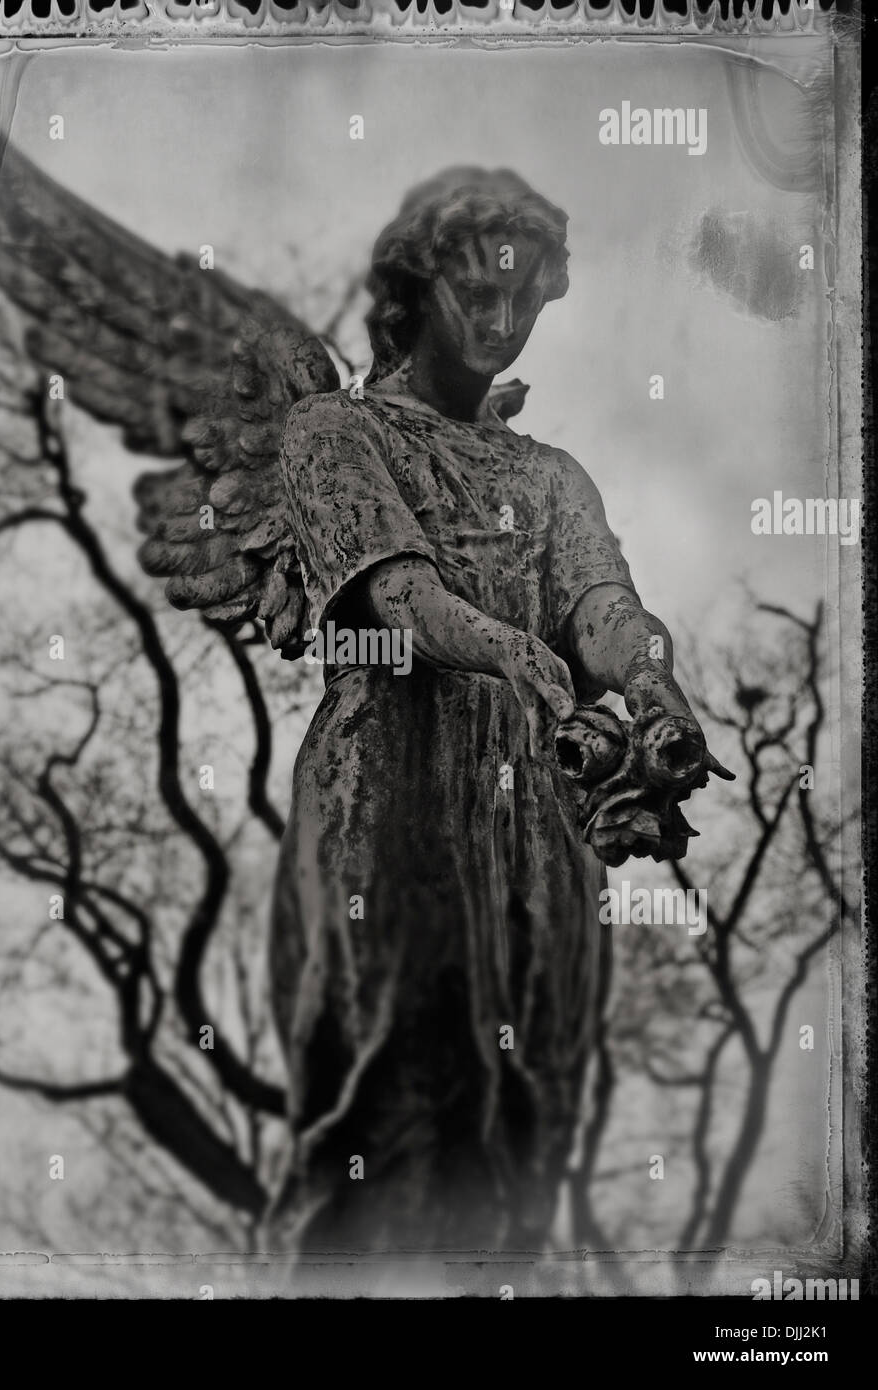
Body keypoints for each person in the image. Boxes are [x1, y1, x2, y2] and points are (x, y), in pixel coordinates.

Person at [266, 167, 709, 1260]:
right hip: (390, 788)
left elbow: (603, 605)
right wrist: (510, 648)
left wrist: (650, 679)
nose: (502, 321)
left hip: (533, 812)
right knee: (389, 1089)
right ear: (415, 288)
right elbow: (396, 596)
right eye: (477, 291)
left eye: (525, 300)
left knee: (527, 1112)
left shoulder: (552, 474)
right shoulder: (334, 432)